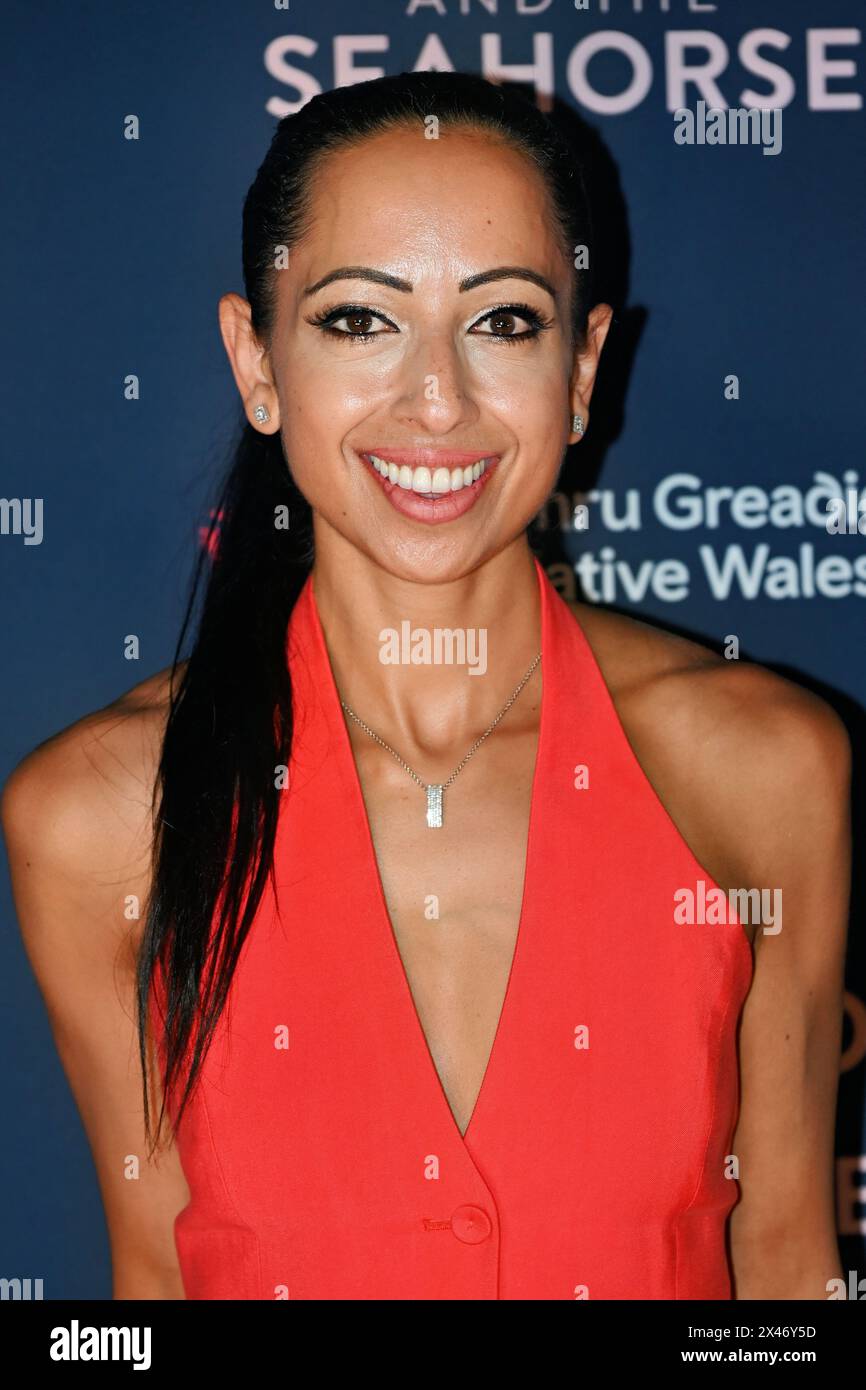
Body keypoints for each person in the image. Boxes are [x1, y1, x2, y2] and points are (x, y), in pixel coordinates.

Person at [1, 72, 850, 1301]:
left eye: (503, 321)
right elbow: (156, 1279)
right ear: (256, 357)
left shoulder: (761, 763)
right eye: (359, 320)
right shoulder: (93, 815)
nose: (436, 400)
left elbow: (781, 1267)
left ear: (583, 363)